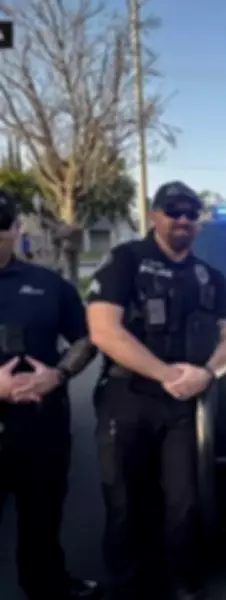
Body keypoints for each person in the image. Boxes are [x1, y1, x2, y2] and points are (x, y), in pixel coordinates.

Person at [85, 181, 226, 600]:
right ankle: (128, 588)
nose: (183, 219)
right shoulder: (126, 260)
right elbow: (103, 330)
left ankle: (182, 584)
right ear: (154, 215)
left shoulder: (210, 277)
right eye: (174, 210)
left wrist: (207, 373)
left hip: (185, 402)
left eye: (192, 212)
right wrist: (165, 374)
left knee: (183, 502)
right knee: (125, 502)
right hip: (128, 397)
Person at [0, 189, 102, 600]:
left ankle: (47, 584)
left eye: (0, 226)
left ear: (14, 228)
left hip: (42, 424)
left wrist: (58, 375)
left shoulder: (47, 283)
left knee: (42, 515)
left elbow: (86, 339)